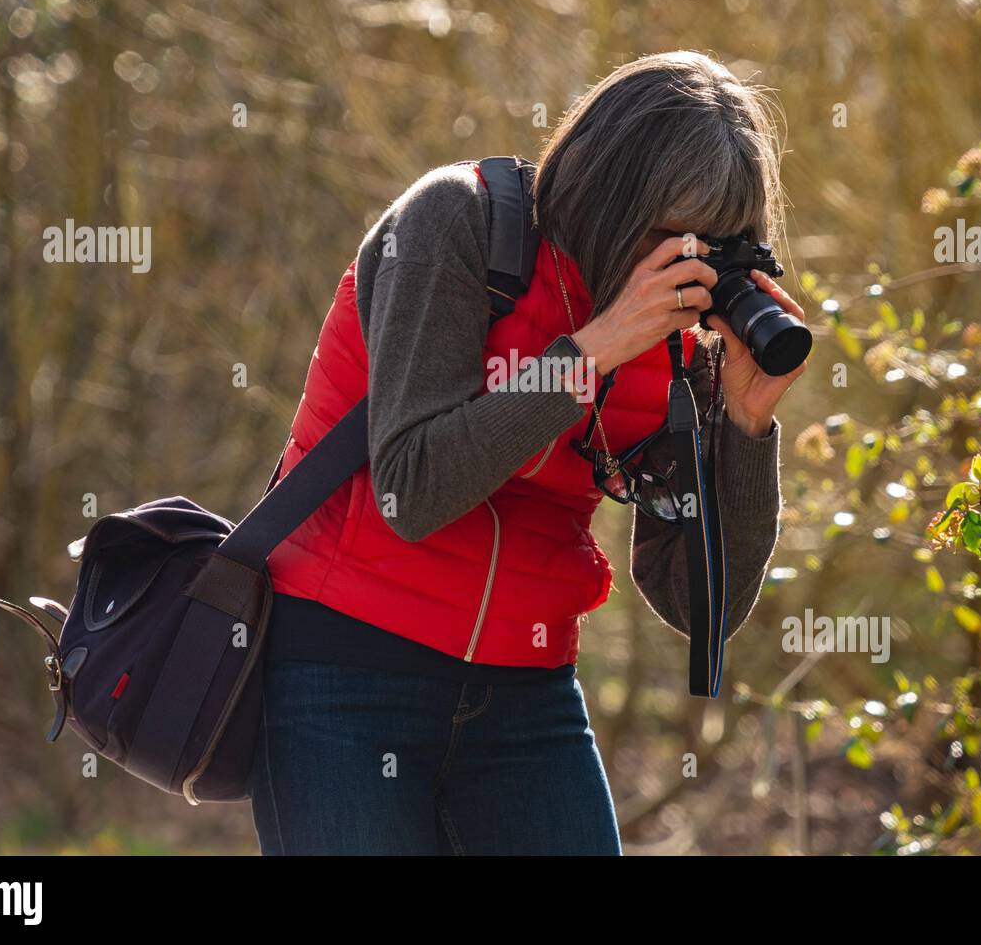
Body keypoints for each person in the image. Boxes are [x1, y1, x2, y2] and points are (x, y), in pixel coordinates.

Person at [250, 50, 805, 855]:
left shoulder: (676, 336)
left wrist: (746, 430)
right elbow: (412, 490)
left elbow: (699, 608)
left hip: (525, 691)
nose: (685, 265)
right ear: (604, 191)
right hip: (344, 672)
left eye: (712, 244)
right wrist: (590, 353)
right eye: (667, 234)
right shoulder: (458, 224)